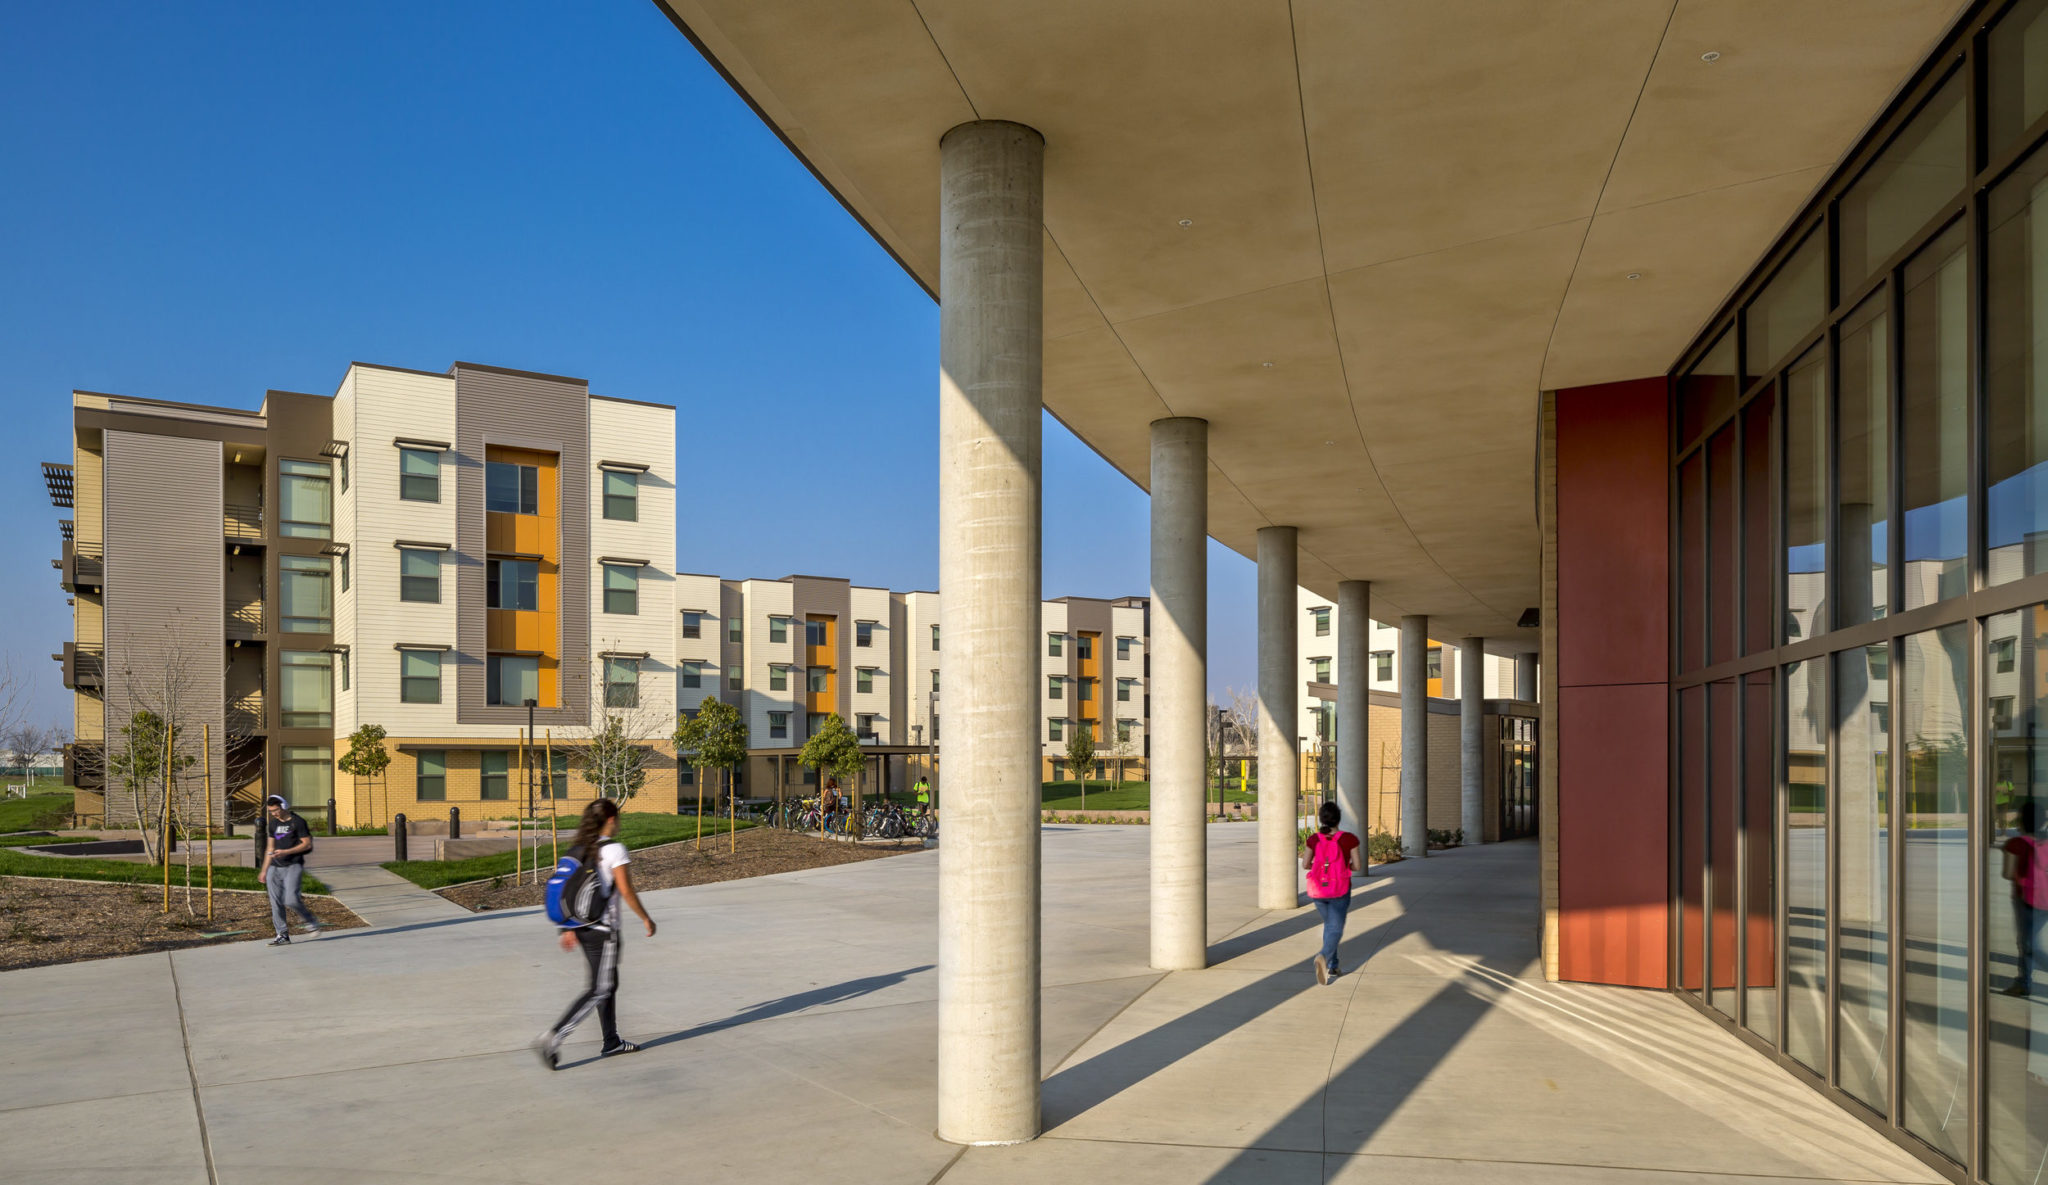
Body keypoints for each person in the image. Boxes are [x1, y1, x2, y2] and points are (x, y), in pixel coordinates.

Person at [536, 798, 655, 1069]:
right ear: (611, 820)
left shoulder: (579, 849)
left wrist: (567, 928)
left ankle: (611, 1041)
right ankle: (553, 1037)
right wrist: (646, 918)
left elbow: (568, 889)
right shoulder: (614, 850)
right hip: (604, 932)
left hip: (582, 928)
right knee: (600, 988)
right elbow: (626, 890)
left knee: (607, 984)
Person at [1301, 800, 1361, 986]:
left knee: (1330, 926)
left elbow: (1305, 865)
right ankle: (1324, 957)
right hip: (1340, 889)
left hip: (1318, 890)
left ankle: (1333, 965)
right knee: (1335, 928)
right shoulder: (1349, 839)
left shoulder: (1313, 839)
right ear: (1338, 819)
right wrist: (1342, 867)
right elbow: (1357, 866)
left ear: (1322, 819)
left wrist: (1320, 867)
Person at [258, 794, 322, 946]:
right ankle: (282, 934)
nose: (273, 814)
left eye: (275, 810)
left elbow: (307, 844)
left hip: (293, 865)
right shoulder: (273, 824)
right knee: (275, 902)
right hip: (275, 867)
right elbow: (270, 848)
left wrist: (286, 852)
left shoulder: (297, 822)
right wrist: (264, 870)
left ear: (283, 807)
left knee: (291, 899)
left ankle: (310, 921)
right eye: (271, 811)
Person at [2003, 798, 2045, 997]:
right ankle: (2023, 982)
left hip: (2025, 899)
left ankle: (2024, 983)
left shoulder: (2015, 844)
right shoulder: (2046, 842)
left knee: (2027, 943)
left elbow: (2008, 873)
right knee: (2029, 942)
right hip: (2046, 900)